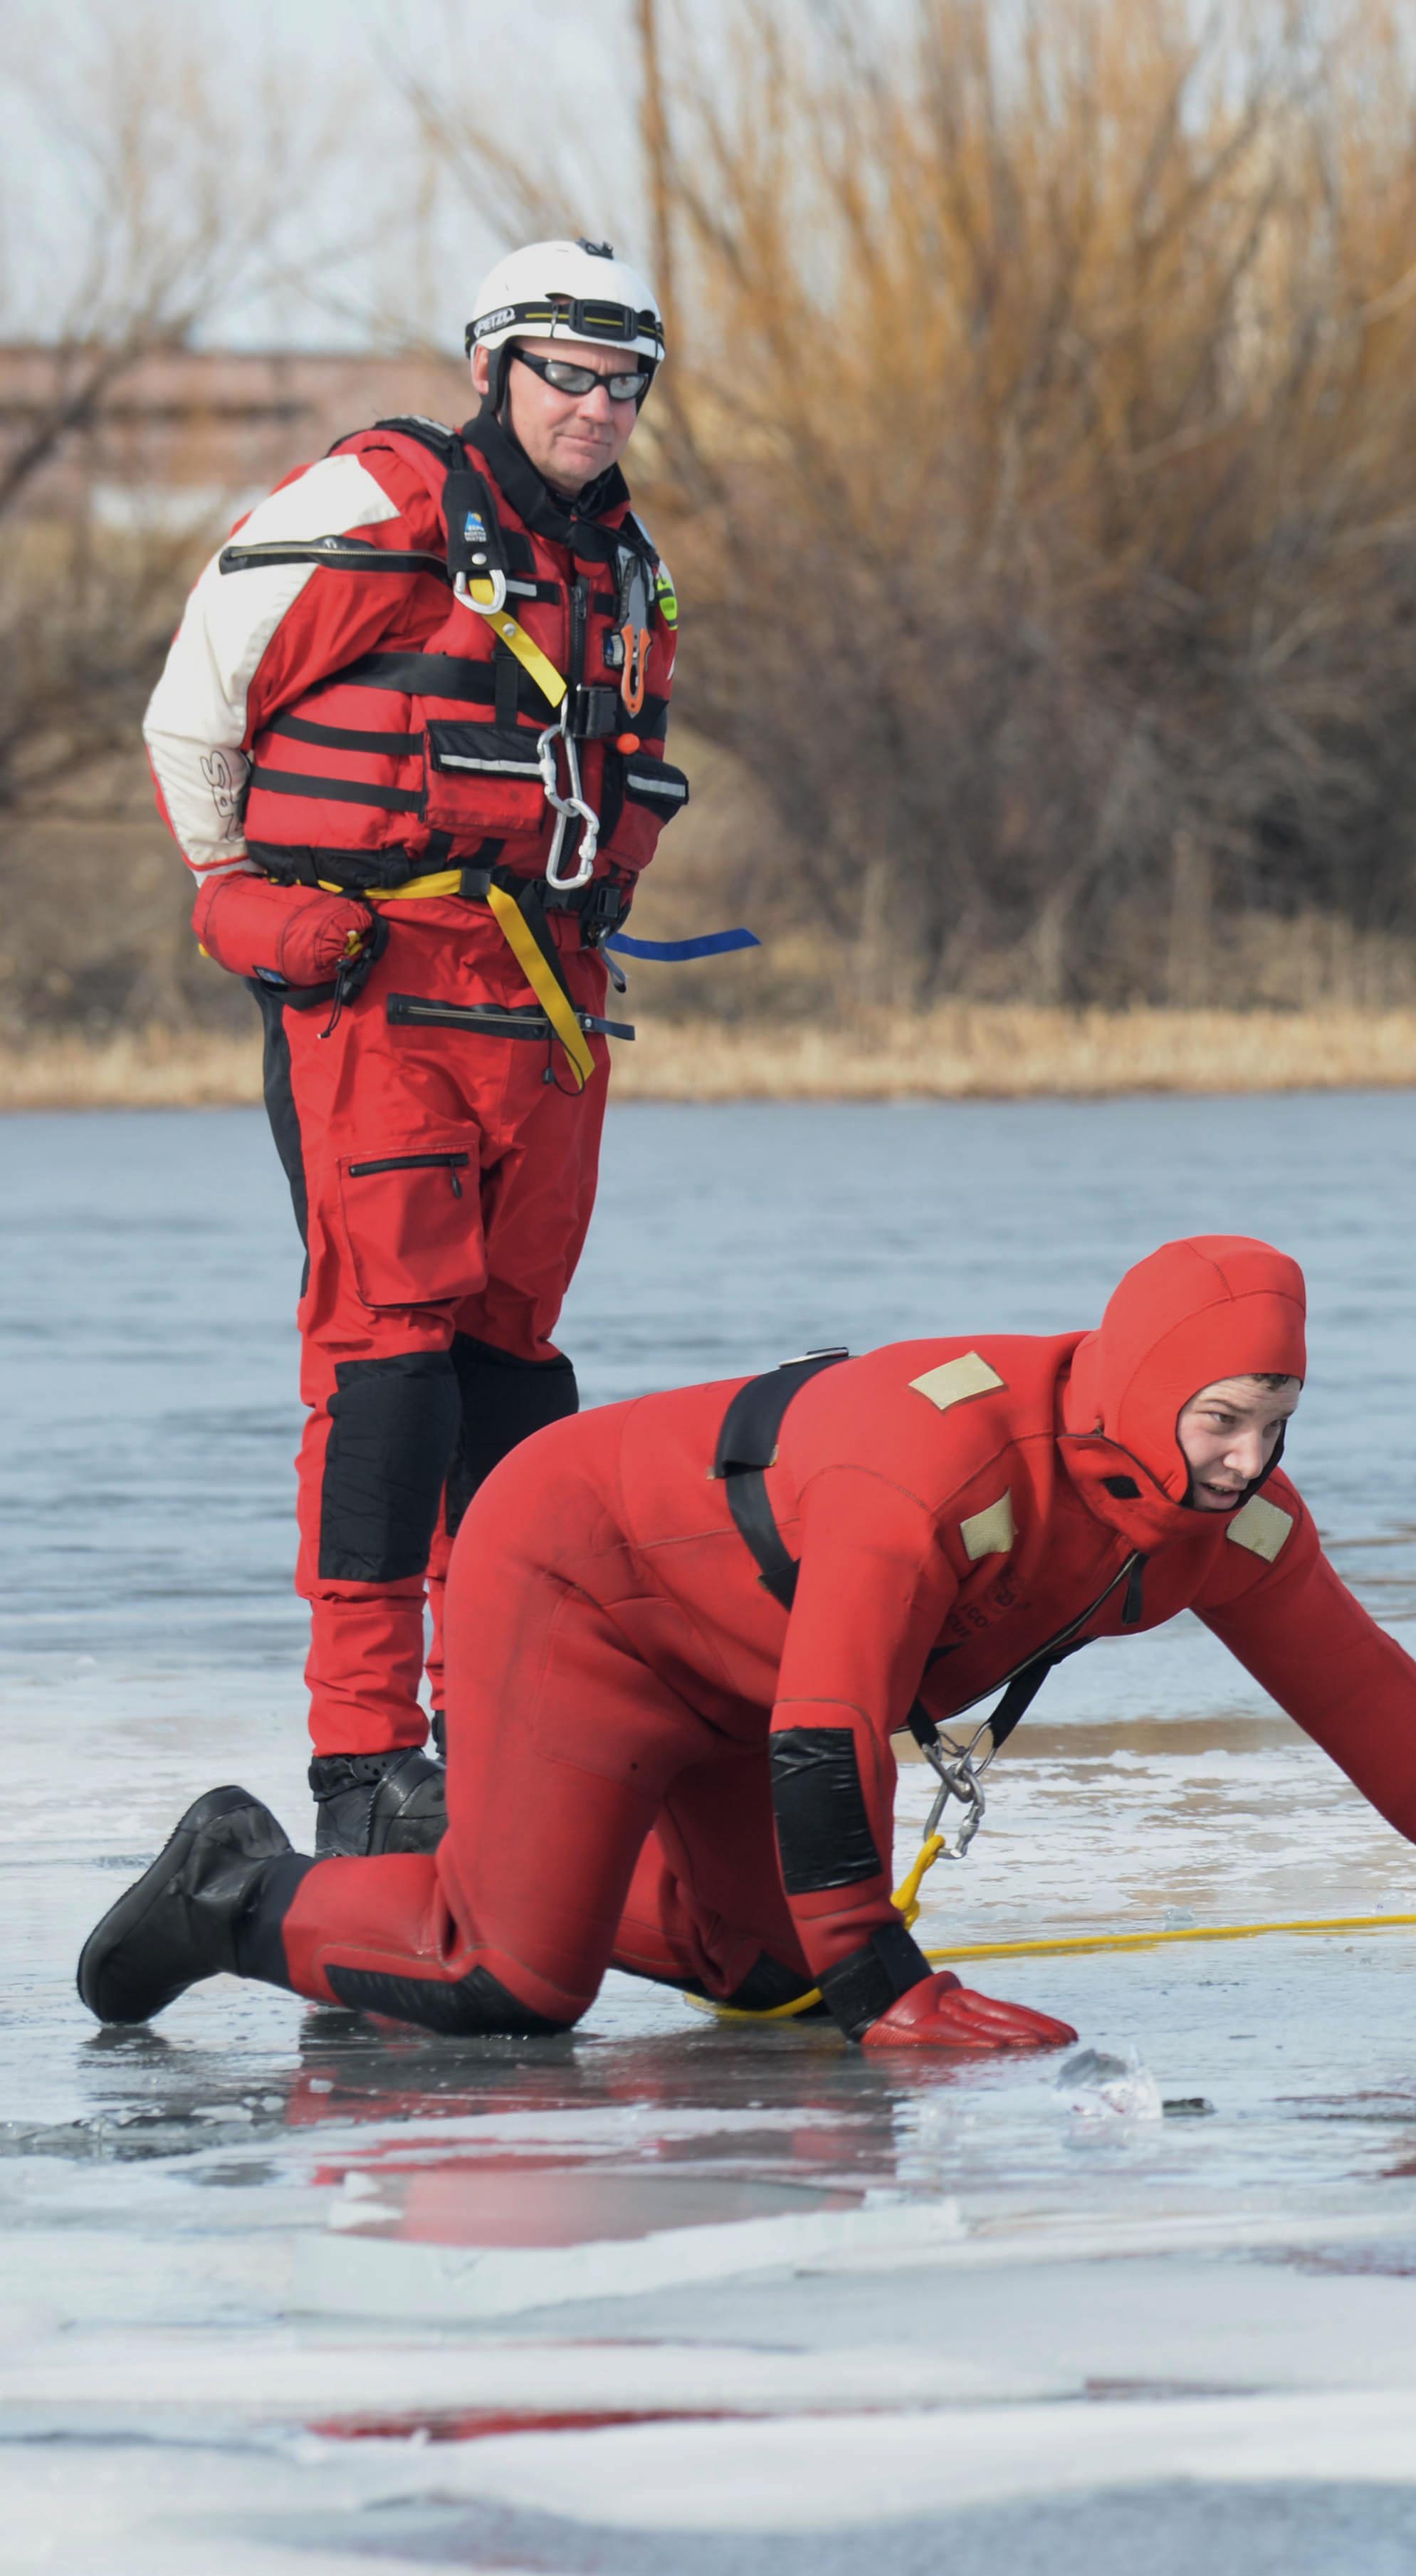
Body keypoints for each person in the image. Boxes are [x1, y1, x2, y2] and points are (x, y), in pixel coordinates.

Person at [75, 1239, 1416, 2047]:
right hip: (580, 1585)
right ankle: (236, 1882)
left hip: (743, 1666)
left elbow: (1368, 1696)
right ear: (1139, 1386)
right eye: (1220, 1414)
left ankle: (478, 1829)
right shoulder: (948, 1465)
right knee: (512, 1978)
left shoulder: (1221, 1519)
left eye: (1276, 1418)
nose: (1249, 1457)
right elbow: (825, 1722)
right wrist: (886, 1987)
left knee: (759, 1964)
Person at [140, 240, 697, 1858]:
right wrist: (244, 895)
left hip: (544, 1007)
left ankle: (499, 1726)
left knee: (514, 1381)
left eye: (623, 381)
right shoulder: (373, 502)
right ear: (493, 367)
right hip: (372, 984)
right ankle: (362, 1767)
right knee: (386, 1373)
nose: (596, 407)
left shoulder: (629, 569)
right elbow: (195, 710)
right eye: (565, 373)